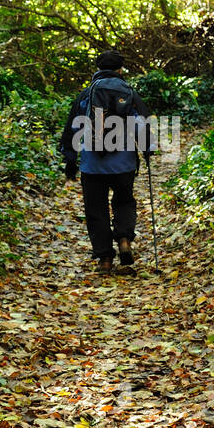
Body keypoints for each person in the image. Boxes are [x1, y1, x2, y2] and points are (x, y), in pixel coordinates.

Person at [59, 49, 151, 274]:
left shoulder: (86, 95)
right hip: (124, 163)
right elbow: (143, 124)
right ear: (120, 69)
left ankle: (105, 260)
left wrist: (70, 160)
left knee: (95, 209)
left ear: (98, 69)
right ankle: (123, 240)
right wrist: (147, 151)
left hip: (92, 165)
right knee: (124, 201)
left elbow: (73, 129)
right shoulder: (129, 93)